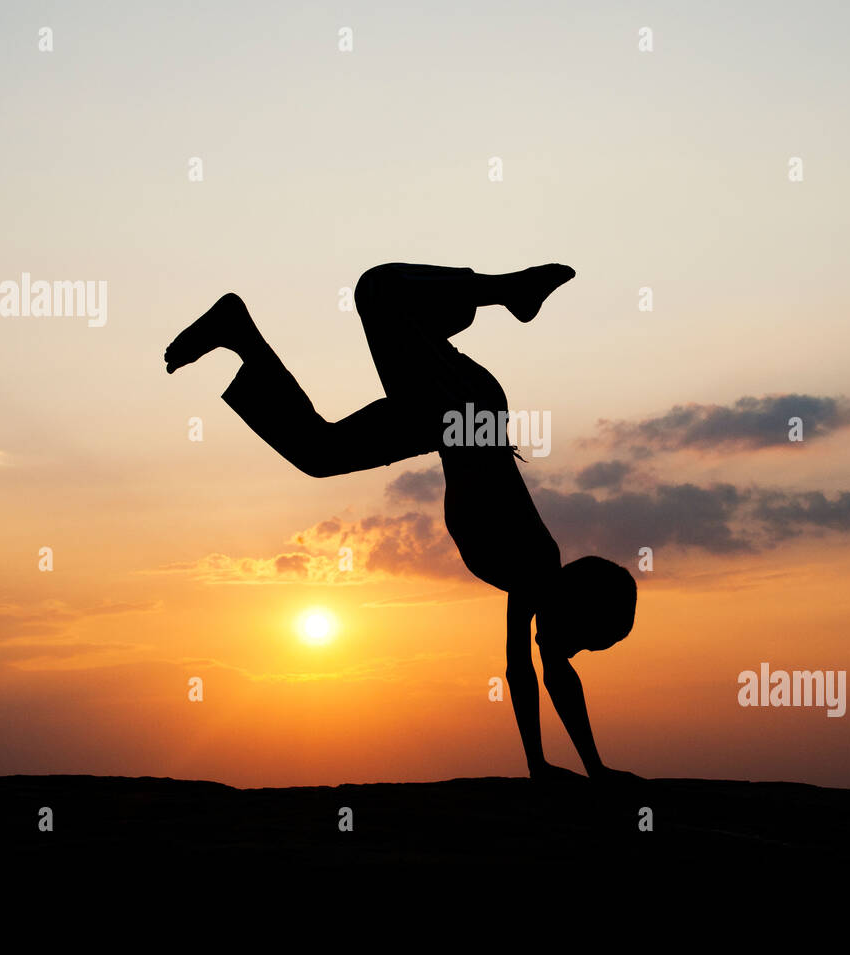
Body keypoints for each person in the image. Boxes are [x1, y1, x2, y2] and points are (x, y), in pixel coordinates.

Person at [165, 262, 640, 782]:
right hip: (465, 411)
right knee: (377, 291)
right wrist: (557, 767)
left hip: (444, 419)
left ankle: (241, 335)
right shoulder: (534, 566)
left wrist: (570, 768)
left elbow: (540, 671)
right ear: (578, 608)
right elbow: (536, 674)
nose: (575, 651)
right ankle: (507, 291)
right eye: (591, 641)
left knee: (319, 452)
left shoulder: (529, 582)